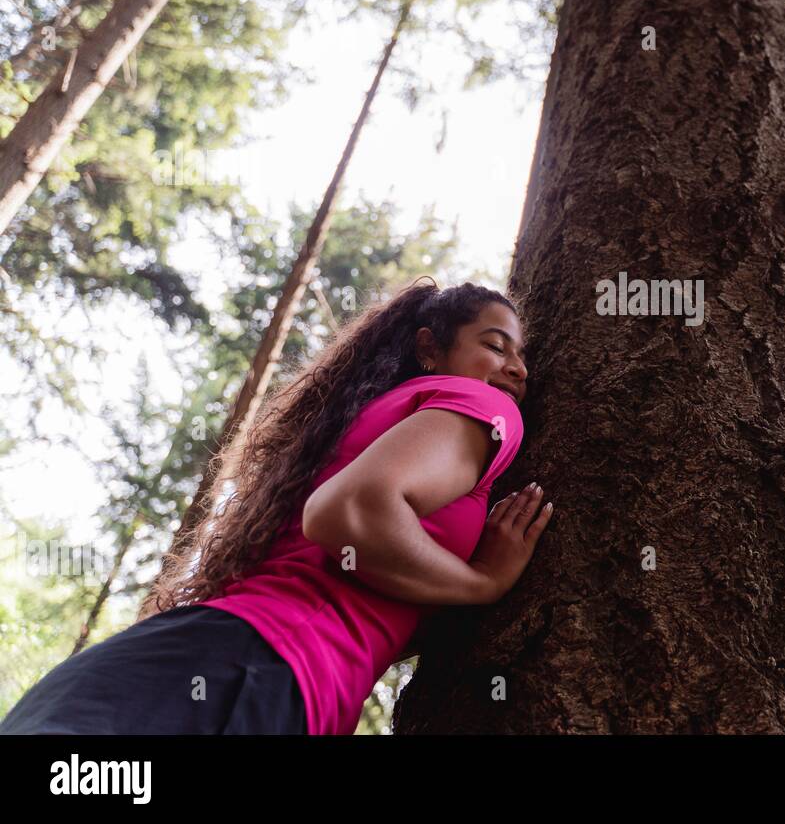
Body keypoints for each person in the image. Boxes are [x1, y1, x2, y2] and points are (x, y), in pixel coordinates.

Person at [0, 278, 554, 735]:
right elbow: (352, 511)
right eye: (495, 345)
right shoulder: (480, 405)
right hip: (254, 670)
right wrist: (480, 582)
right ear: (430, 349)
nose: (517, 368)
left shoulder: (381, 421)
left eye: (521, 354)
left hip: (217, 671)